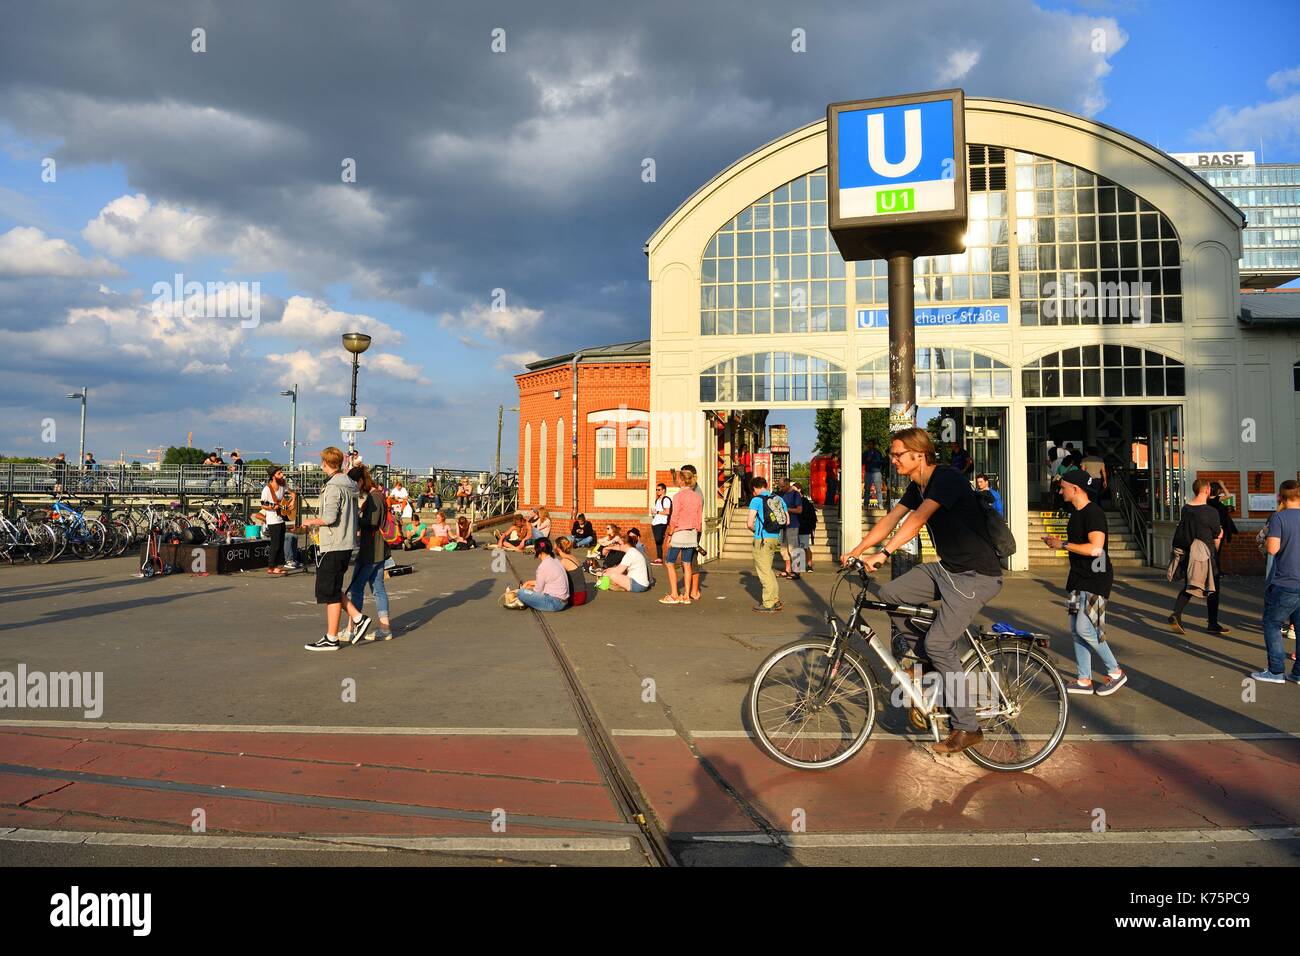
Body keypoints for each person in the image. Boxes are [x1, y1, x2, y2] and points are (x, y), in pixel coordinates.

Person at [842, 427, 1004, 756]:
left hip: (976, 575)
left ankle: (967, 727)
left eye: (898, 453)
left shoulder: (946, 478)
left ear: (919, 454)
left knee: (940, 643)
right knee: (889, 595)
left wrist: (884, 553)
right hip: (948, 569)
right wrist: (857, 549)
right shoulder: (916, 486)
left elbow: (917, 520)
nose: (893, 459)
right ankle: (933, 663)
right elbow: (891, 519)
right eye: (892, 454)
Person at [1043, 470, 1126, 696]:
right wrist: (1058, 544)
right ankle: (1083, 679)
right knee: (1077, 629)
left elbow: (1096, 548)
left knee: (1085, 627)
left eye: (1063, 487)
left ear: (1075, 489)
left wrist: (1062, 545)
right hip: (1079, 578)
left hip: (1096, 578)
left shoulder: (1094, 513)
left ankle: (1116, 672)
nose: (1060, 491)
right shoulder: (1076, 513)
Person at [302, 447, 362, 651]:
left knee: (329, 592)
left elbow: (329, 518)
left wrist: (310, 522)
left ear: (325, 464)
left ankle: (332, 637)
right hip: (345, 543)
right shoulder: (349, 484)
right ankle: (358, 618)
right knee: (333, 588)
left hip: (334, 543)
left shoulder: (334, 487)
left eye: (321, 462)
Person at [1168, 478, 1228, 635]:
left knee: (1191, 584)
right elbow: (1216, 533)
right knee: (1213, 587)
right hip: (1206, 554)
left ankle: (1177, 612)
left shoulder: (1185, 509)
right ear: (1207, 490)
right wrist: (1220, 533)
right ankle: (1212, 623)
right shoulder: (1210, 512)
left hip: (1189, 553)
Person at [1255, 480, 1300, 683]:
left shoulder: (1278, 518)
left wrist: (1265, 540)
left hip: (1286, 581)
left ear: (1281, 497)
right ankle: (1298, 672)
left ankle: (1275, 671)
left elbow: (1272, 549)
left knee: (1272, 623)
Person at [344, 465, 392, 642]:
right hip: (379, 548)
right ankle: (385, 627)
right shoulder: (378, 495)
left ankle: (352, 628)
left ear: (361, 481)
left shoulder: (373, 498)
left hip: (370, 549)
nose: (353, 487)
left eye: (353, 483)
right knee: (378, 588)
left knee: (356, 588)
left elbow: (371, 522)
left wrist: (355, 517)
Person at [661, 464, 704, 605]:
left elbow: (674, 517)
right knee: (687, 564)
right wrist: (696, 532)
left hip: (679, 532)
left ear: (682, 480)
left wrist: (670, 534)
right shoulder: (697, 497)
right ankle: (686, 595)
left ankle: (674, 594)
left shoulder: (678, 496)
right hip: (692, 533)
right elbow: (699, 519)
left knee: (670, 562)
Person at [747, 476, 784, 613]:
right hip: (775, 538)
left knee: (764, 572)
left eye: (753, 490)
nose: (753, 493)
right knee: (768, 570)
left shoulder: (756, 500)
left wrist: (756, 530)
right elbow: (786, 521)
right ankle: (775, 599)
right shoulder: (778, 499)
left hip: (762, 539)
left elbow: (749, 523)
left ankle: (768, 603)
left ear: (755, 488)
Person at [514, 537, 570, 611]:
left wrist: (527, 590)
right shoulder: (555, 560)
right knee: (528, 588)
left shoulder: (543, 566)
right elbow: (548, 580)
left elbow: (538, 590)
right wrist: (529, 583)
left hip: (554, 603)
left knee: (520, 593)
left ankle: (523, 601)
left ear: (538, 551)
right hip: (563, 601)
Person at [260, 464, 290, 576]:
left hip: (281, 518)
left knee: (280, 543)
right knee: (275, 544)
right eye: (279, 473)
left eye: (281, 473)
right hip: (273, 520)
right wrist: (273, 507)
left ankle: (277, 565)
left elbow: (293, 493)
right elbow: (263, 505)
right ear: (273, 476)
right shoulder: (267, 489)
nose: (282, 475)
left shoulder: (283, 485)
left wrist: (291, 502)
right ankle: (271, 567)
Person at [776, 476, 804, 581]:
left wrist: (787, 510)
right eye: (780, 486)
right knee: (784, 549)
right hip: (783, 525)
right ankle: (788, 569)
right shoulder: (782, 494)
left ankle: (797, 570)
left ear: (788, 484)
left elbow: (799, 510)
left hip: (793, 524)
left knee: (794, 548)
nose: (781, 488)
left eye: (783, 486)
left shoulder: (795, 494)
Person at [555, 537, 590, 606]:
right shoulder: (571, 557)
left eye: (554, 547)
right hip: (582, 595)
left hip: (576, 597)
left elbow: (554, 579)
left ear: (558, 549)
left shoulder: (564, 561)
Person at [793, 480, 817, 572]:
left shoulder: (805, 502)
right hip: (797, 527)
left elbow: (810, 516)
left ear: (799, 490)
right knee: (797, 546)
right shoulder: (795, 501)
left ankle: (809, 564)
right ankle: (798, 565)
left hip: (804, 528)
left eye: (795, 490)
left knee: (805, 546)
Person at [650, 482, 672, 565]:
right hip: (655, 522)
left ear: (663, 490)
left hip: (662, 523)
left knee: (659, 539)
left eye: (659, 490)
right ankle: (659, 558)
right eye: (656, 490)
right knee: (657, 542)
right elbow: (657, 512)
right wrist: (654, 513)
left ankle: (668, 557)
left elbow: (667, 511)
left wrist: (658, 512)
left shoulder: (666, 499)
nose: (657, 491)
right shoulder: (657, 500)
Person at [863, 439, 887, 508]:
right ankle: (865, 504)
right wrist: (867, 460)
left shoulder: (878, 453)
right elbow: (862, 461)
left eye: (871, 444)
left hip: (877, 472)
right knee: (867, 489)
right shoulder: (865, 453)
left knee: (878, 489)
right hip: (868, 472)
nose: (870, 445)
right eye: (869, 444)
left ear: (874, 445)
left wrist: (875, 461)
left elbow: (881, 462)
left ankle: (880, 504)